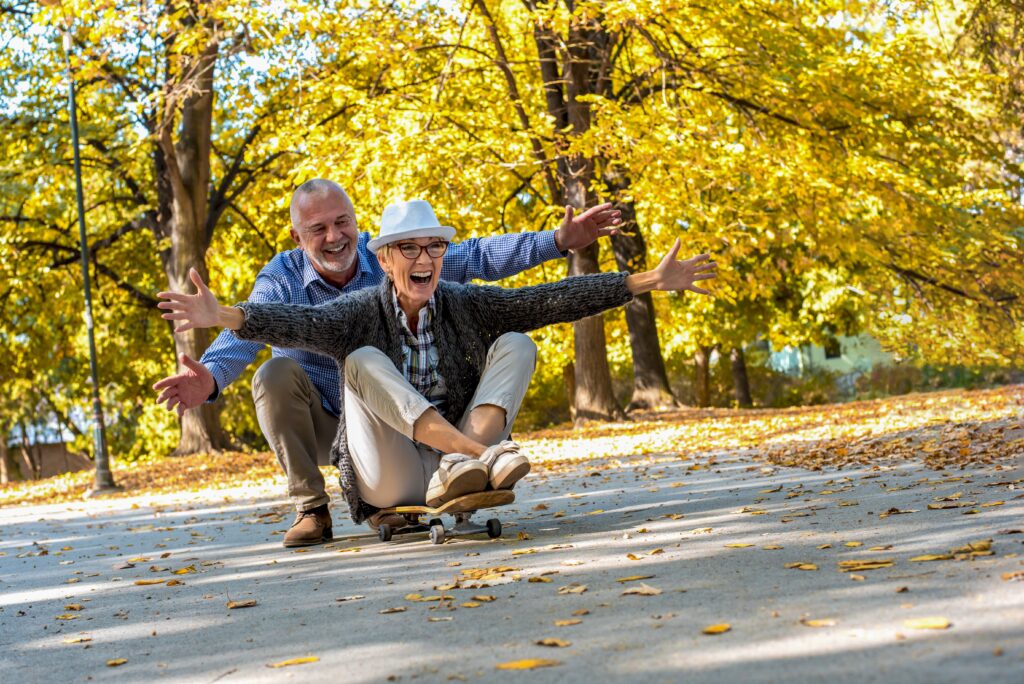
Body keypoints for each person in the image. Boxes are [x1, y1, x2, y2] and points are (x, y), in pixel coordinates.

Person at [156, 199, 717, 531]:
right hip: (370, 446)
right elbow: (291, 325)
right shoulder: (340, 303)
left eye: (434, 249)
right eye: (410, 250)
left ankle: (466, 464)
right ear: (386, 258)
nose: (424, 260)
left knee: (518, 340)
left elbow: (546, 297)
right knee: (352, 359)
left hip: (439, 450)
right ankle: (328, 502)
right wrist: (221, 326)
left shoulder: (459, 296)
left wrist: (642, 280)